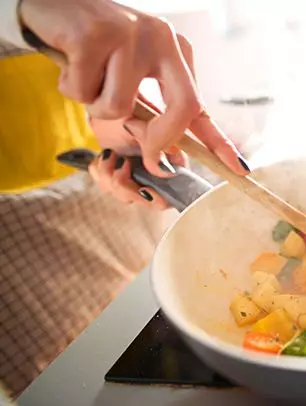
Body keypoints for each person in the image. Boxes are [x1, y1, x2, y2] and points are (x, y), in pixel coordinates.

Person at [0, 0, 249, 398]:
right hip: (14, 238)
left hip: (95, 153)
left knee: (154, 297)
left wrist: (113, 124)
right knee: (74, 374)